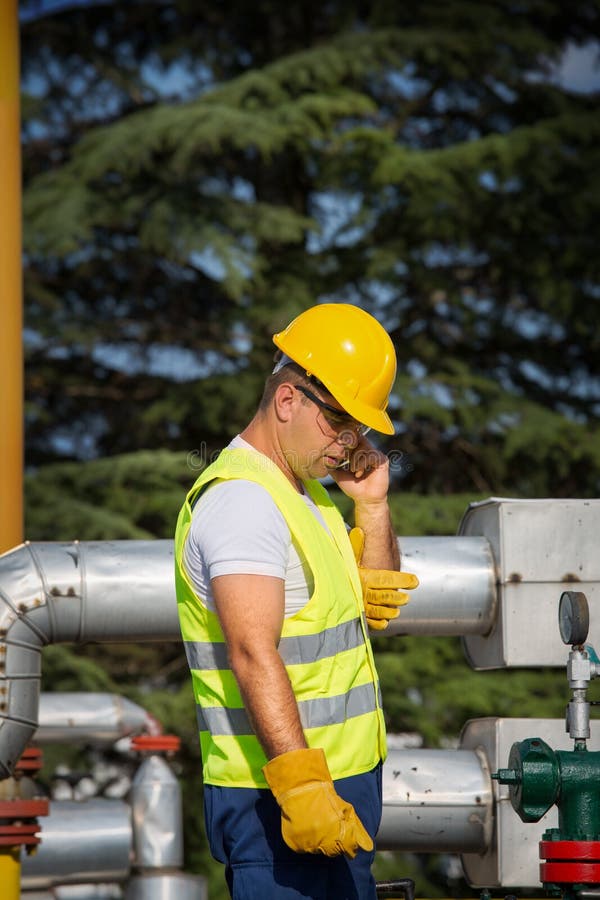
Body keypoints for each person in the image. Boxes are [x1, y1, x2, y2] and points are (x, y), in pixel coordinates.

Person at [174, 303, 419, 900]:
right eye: (341, 421)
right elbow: (253, 653)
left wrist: (374, 508)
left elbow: (378, 607)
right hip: (279, 804)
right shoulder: (244, 504)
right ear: (289, 401)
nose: (351, 442)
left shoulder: (305, 495)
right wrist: (301, 787)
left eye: (359, 427)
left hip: (330, 792)